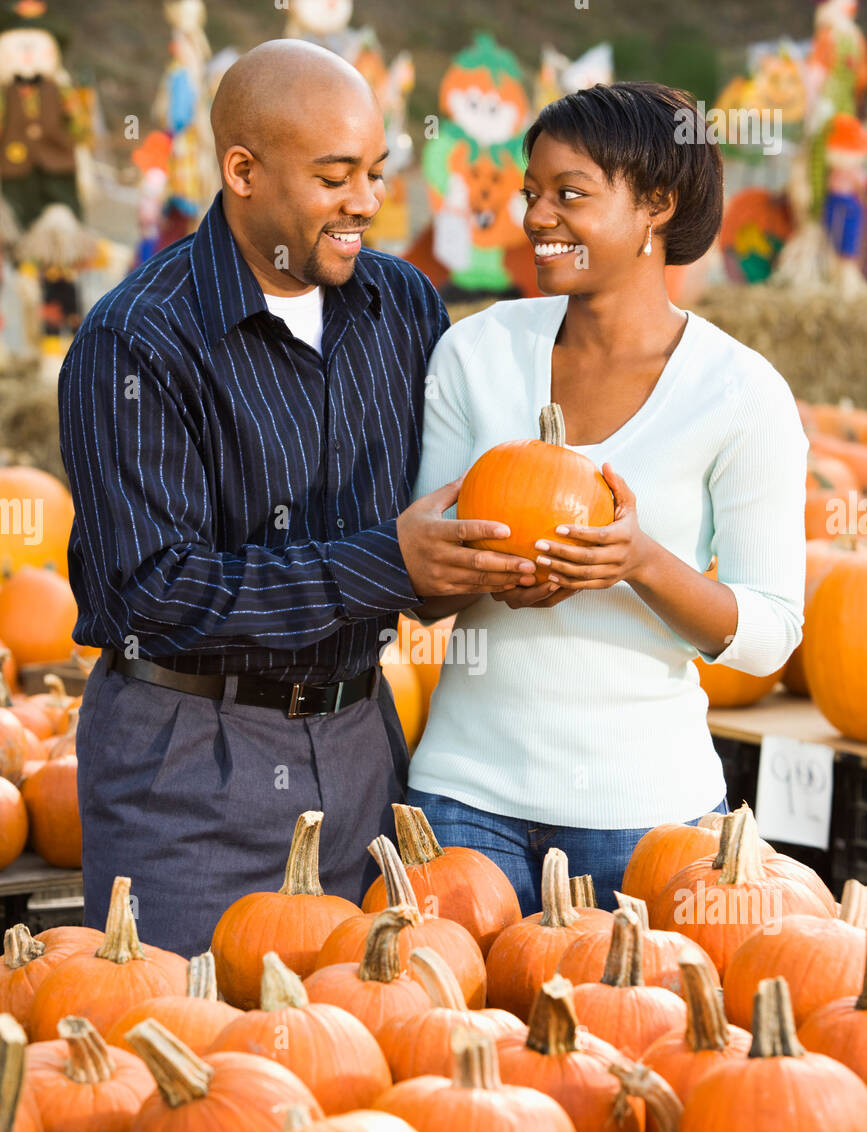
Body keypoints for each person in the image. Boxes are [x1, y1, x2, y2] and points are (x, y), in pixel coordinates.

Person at [61, 40, 537, 956]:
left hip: (363, 735)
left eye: (374, 172)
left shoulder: (402, 306)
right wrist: (388, 563)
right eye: (333, 177)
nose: (366, 201)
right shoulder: (134, 341)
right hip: (187, 757)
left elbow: (434, 525)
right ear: (242, 169)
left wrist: (504, 556)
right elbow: (150, 592)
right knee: (196, 1040)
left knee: (360, 1050)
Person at [407, 82, 808, 915]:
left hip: (650, 819)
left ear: (656, 206)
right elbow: (421, 590)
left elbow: (769, 633)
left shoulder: (739, 394)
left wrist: (640, 562)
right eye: (532, 193)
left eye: (571, 194)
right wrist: (482, 573)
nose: (537, 216)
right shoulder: (472, 353)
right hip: (460, 804)